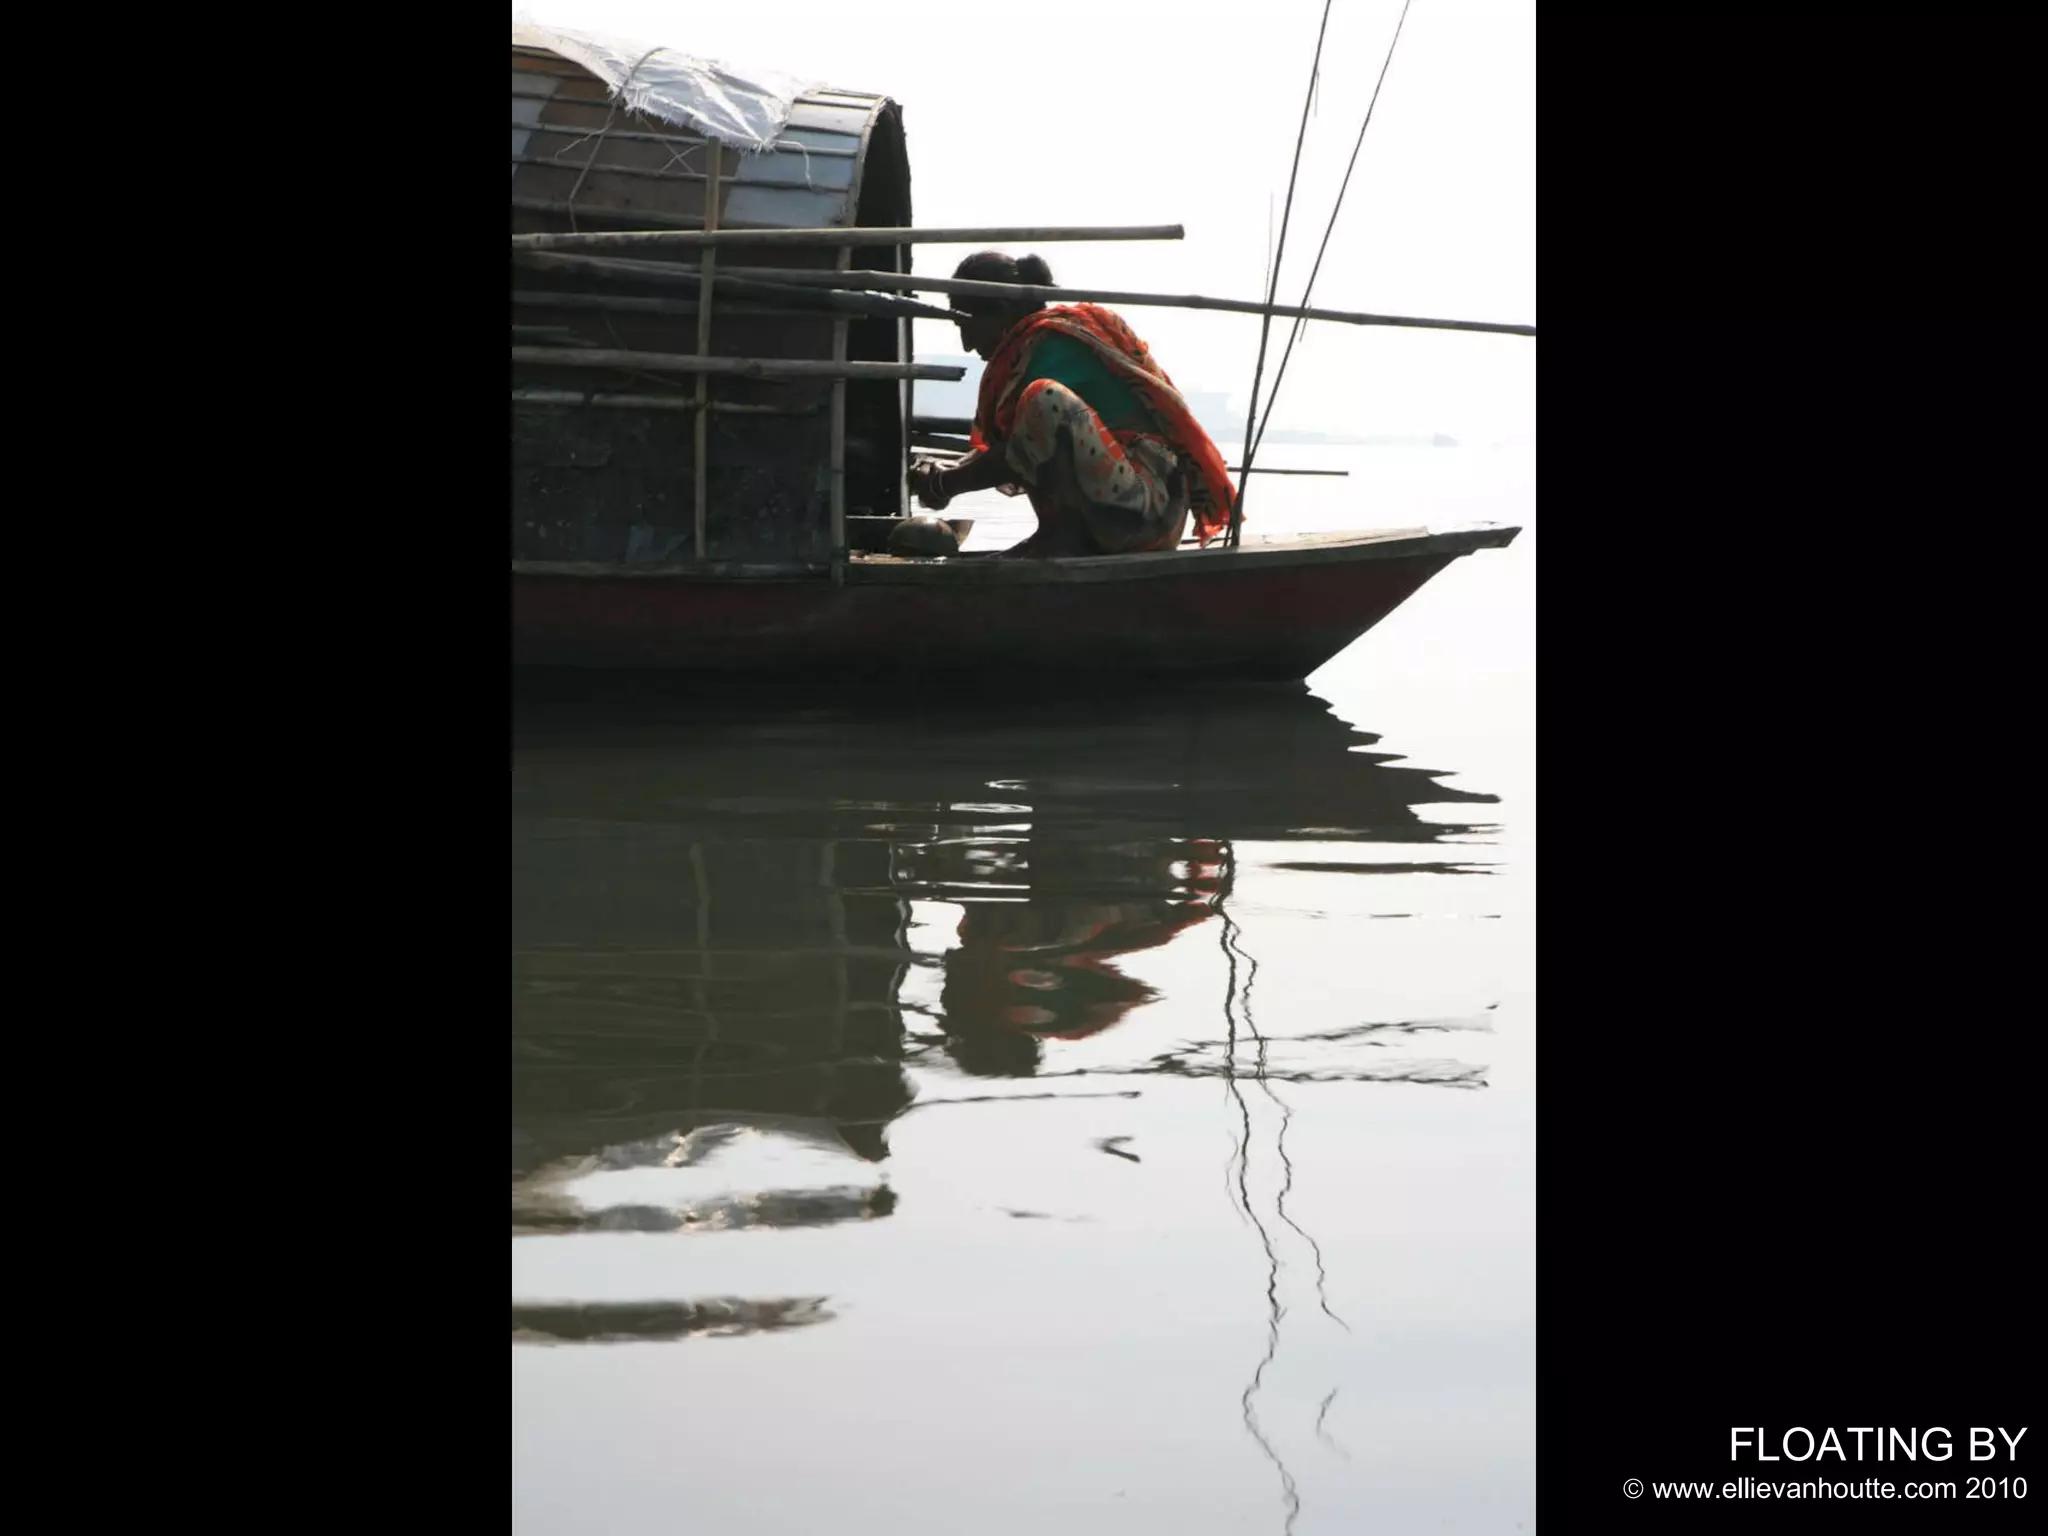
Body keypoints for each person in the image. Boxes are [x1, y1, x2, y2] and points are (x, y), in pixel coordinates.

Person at [907, 252, 1236, 556]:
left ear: (1003, 312)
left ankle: (1059, 534)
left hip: (1147, 512)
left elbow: (1014, 449)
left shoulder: (1052, 342)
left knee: (1043, 398)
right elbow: (1015, 447)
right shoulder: (1030, 347)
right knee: (1038, 413)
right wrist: (945, 474)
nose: (966, 345)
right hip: (1128, 510)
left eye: (967, 326)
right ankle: (1060, 534)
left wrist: (945, 483)